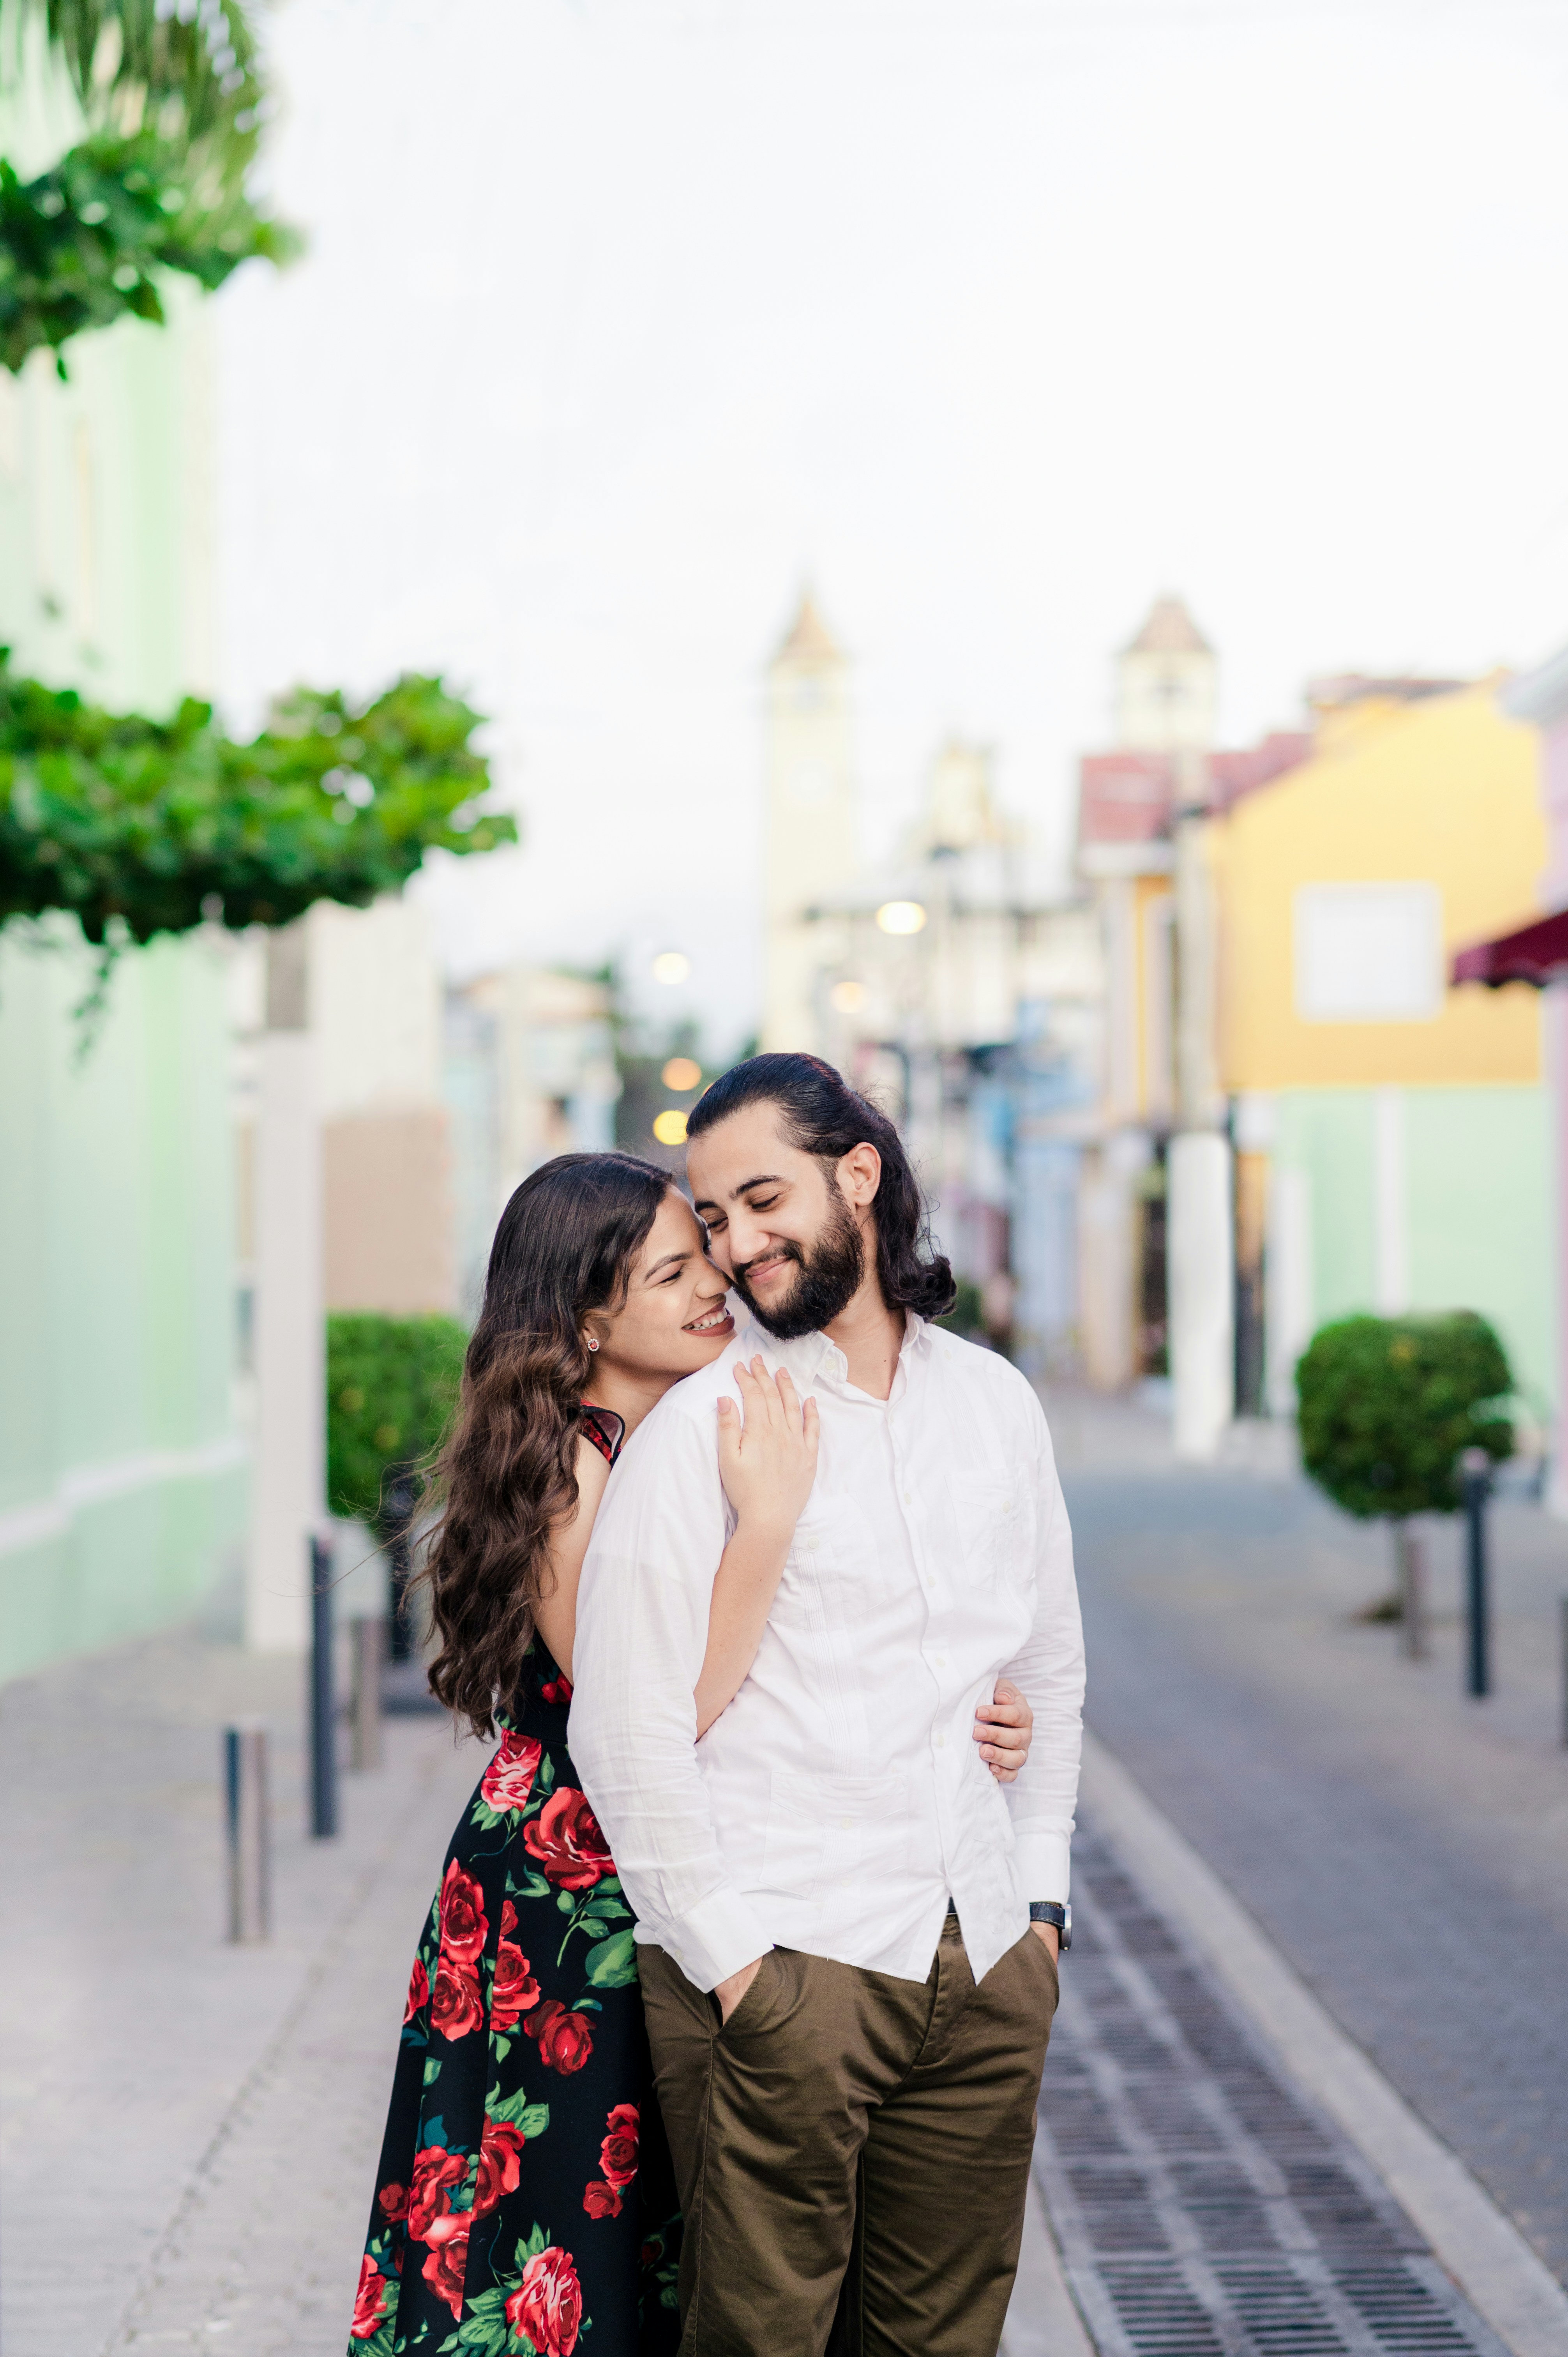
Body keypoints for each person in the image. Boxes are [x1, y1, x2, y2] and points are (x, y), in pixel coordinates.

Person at [348, 1150, 1037, 2357]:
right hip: (580, 1881)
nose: (715, 1285)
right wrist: (766, 1524)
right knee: (569, 2223)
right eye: (673, 1272)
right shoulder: (572, 1464)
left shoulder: (684, 1424)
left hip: (659, 1861)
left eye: (706, 1252)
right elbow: (666, 1708)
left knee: (669, 2228)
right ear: (584, 1314)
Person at [569, 1059, 1085, 2357]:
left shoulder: (996, 1404)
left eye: (761, 1199)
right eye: (714, 1218)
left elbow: (1052, 1668)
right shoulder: (708, 1428)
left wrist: (1041, 1906)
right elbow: (626, 1730)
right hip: (786, 1958)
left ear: (858, 1175)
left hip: (979, 1961)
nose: (738, 1245)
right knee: (762, 2342)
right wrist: (741, 1968)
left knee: (941, 2339)